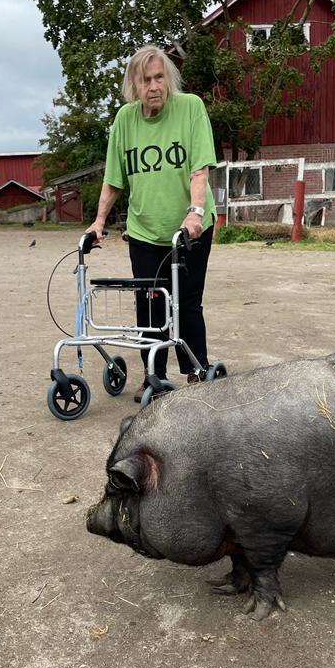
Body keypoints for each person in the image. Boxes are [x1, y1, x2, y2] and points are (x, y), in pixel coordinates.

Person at [85, 44, 218, 402]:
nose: (154, 86)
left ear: (169, 79)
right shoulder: (125, 120)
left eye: (159, 77)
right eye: (146, 80)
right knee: (149, 303)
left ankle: (195, 370)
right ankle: (153, 377)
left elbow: (199, 168)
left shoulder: (190, 108)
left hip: (188, 229)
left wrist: (195, 212)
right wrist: (98, 222)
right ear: (134, 85)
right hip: (144, 229)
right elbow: (114, 179)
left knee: (187, 302)